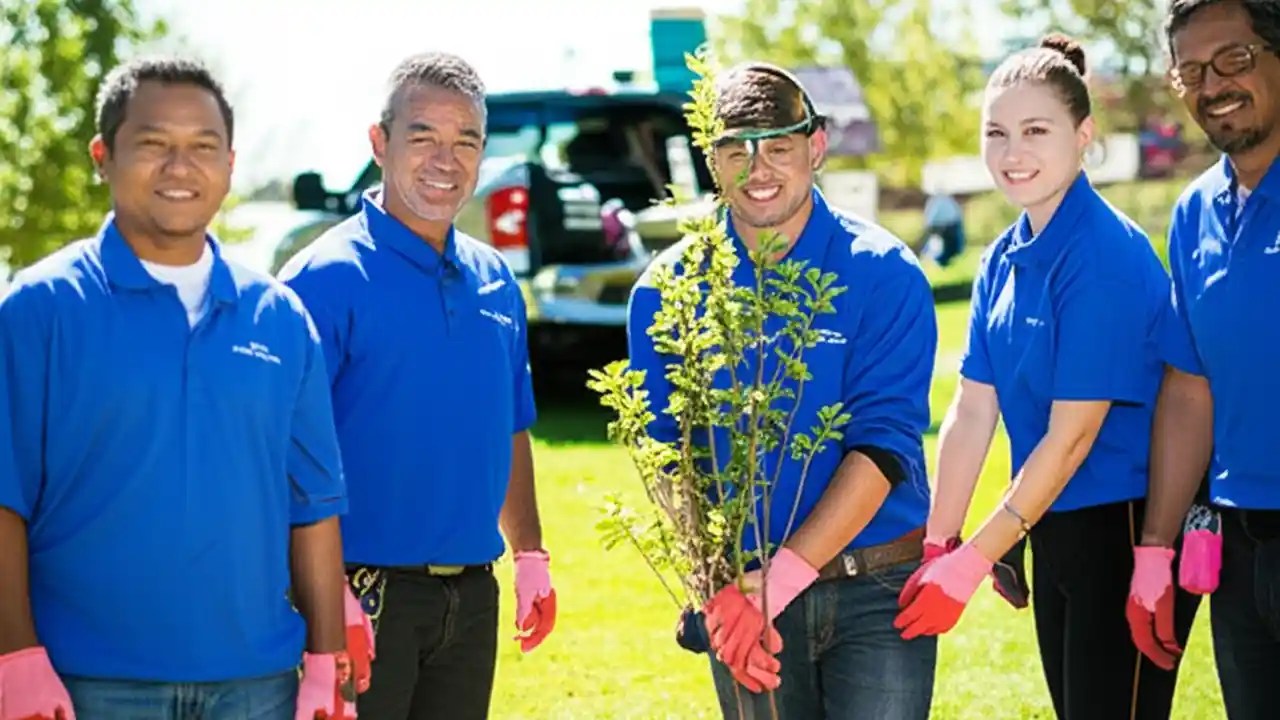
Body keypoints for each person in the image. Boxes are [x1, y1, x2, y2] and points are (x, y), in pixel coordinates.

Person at [0, 56, 362, 720]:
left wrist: (323, 662)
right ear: (103, 156)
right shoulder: (37, 309)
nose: (179, 167)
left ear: (229, 163)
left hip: (259, 684)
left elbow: (312, 506)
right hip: (85, 685)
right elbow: (3, 498)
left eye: (202, 147)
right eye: (153, 144)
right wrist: (14, 655)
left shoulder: (279, 318)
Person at [893, 34, 1202, 720]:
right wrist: (940, 542)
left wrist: (974, 560)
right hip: (1050, 520)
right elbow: (973, 410)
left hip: (1124, 529)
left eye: (1036, 131)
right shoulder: (1002, 257)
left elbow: (1072, 438)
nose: (1012, 153)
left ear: (1084, 135)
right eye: (996, 133)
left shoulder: (1104, 255)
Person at [628, 61, 939, 719]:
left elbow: (884, 445)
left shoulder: (882, 272)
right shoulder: (669, 291)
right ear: (712, 160)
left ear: (816, 147)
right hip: (739, 596)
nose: (758, 170)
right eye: (736, 151)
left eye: (778, 147)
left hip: (875, 589)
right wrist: (718, 589)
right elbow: (667, 458)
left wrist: (786, 577)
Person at [277, 51, 555, 720]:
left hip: (471, 599)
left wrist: (531, 554)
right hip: (358, 595)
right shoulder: (320, 280)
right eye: (423, 135)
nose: (445, 159)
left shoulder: (495, 280)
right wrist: (322, 598)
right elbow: (272, 454)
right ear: (380, 143)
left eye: (466, 141)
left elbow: (510, 422)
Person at [1134, 1, 1280, 716]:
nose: (1213, 83)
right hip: (1242, 551)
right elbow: (1190, 389)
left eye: (1236, 58)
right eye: (1191, 70)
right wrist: (1156, 548)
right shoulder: (1193, 214)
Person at [918, 191, 966, 267]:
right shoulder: (946, 200)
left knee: (942, 246)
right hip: (948, 225)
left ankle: (940, 259)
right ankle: (941, 259)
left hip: (941, 226)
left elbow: (929, 217)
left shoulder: (935, 201)